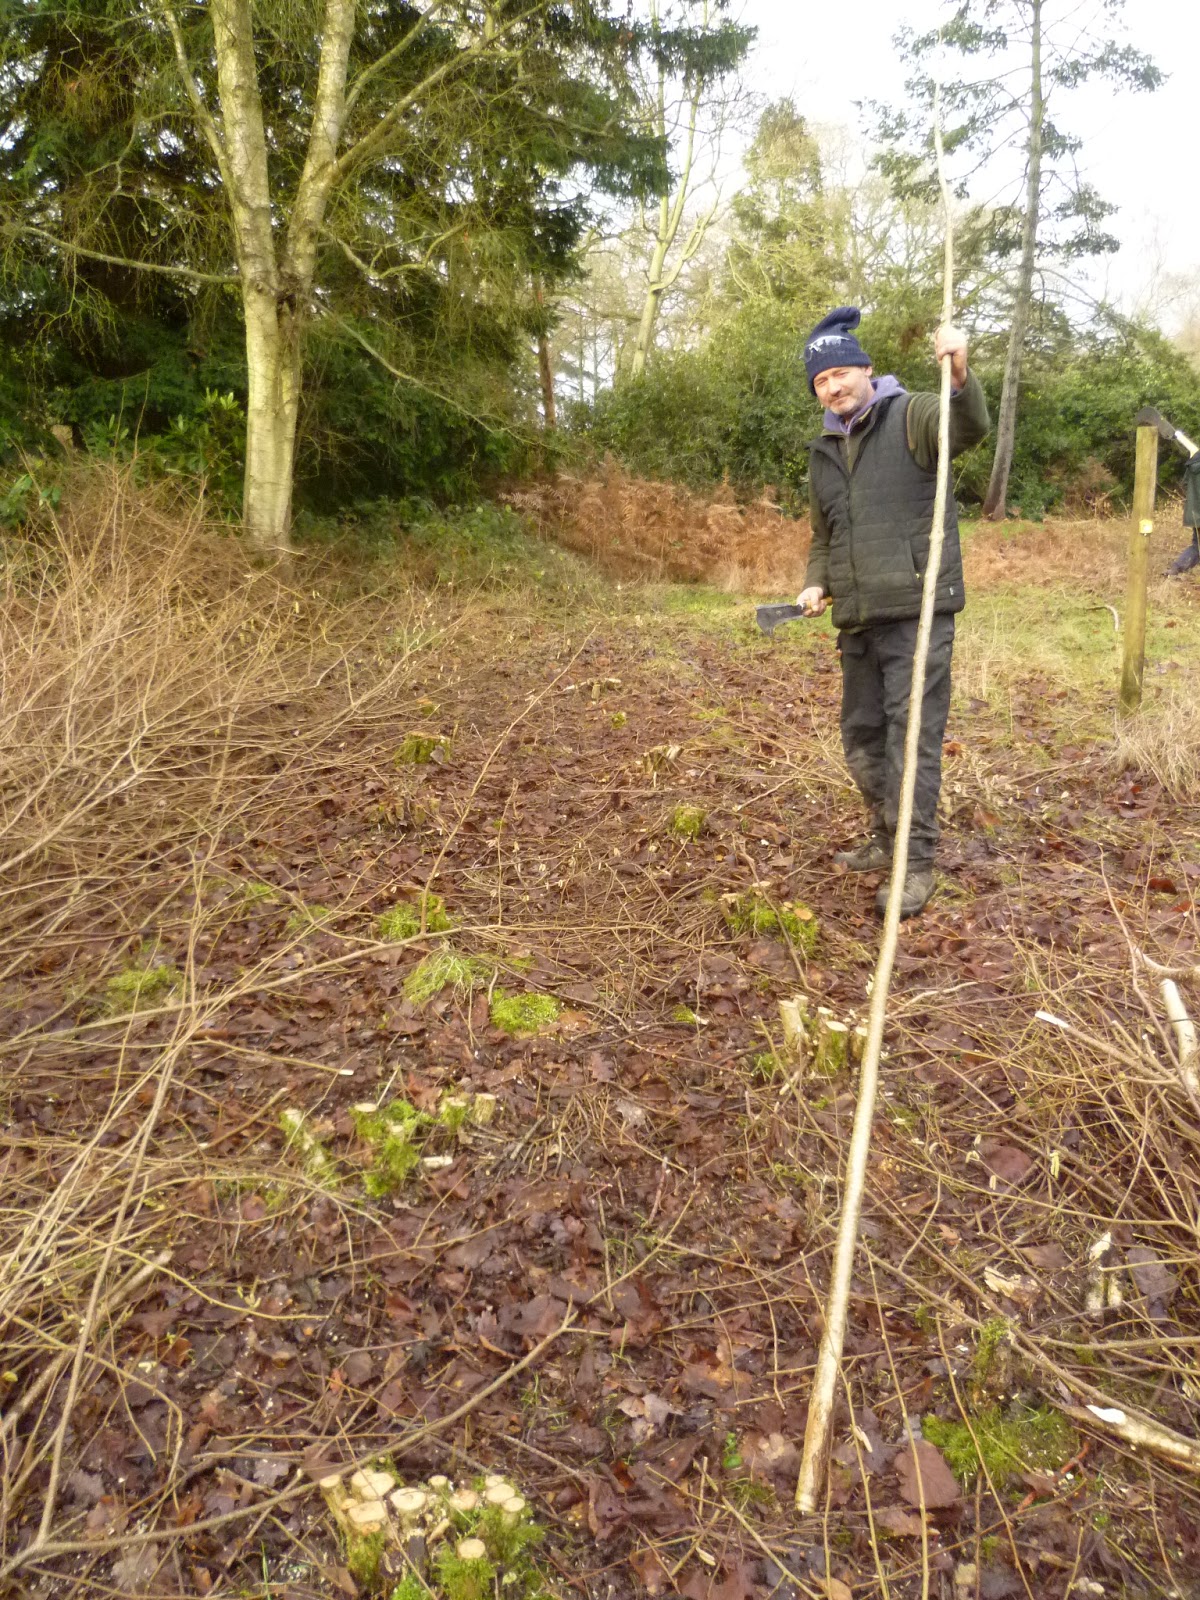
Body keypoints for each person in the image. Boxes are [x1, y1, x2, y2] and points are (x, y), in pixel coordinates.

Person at [795, 305, 991, 918]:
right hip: (857, 618)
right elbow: (825, 533)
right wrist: (816, 582)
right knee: (863, 739)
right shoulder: (825, 450)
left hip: (916, 612)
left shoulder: (913, 415)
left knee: (912, 741)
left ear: (866, 369)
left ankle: (916, 862)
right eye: (822, 381)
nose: (833, 387)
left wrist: (958, 375)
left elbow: (966, 428)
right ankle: (885, 838)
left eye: (841, 373)